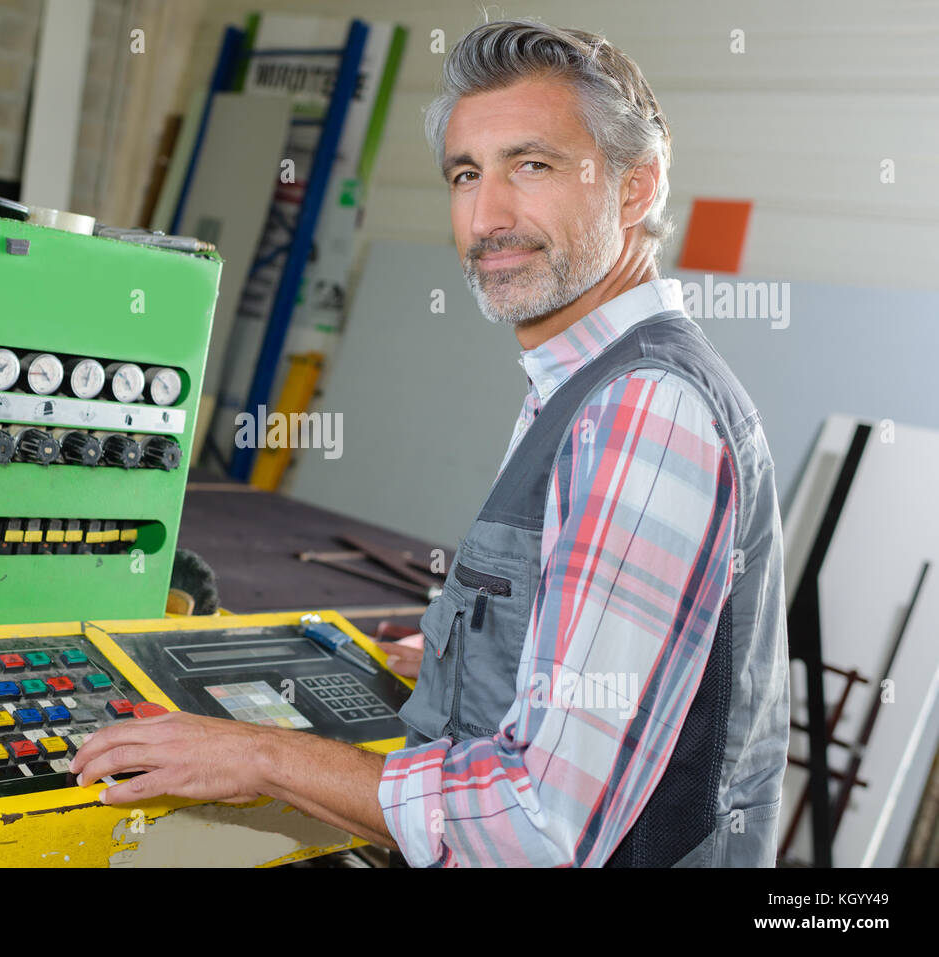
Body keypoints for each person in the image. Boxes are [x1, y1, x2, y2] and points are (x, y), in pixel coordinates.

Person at [70, 18, 790, 867]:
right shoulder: (586, 384)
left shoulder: (642, 408)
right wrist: (469, 655)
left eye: (532, 165)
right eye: (464, 174)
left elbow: (538, 828)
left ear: (635, 189)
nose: (487, 216)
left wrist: (253, 754)